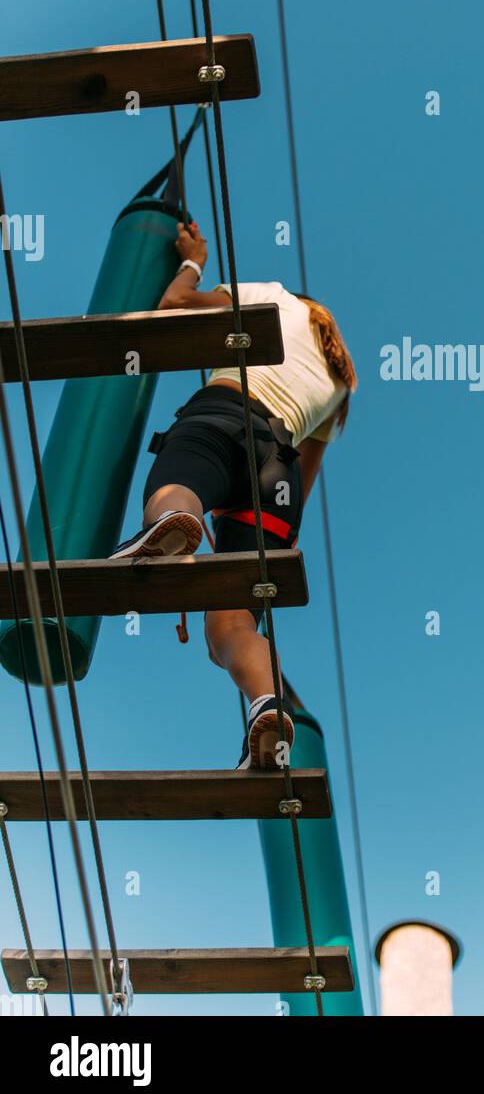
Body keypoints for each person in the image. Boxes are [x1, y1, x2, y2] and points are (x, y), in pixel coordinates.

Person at [111, 221, 357, 769]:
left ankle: (171, 527)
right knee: (230, 626)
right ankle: (267, 704)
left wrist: (194, 260)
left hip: (226, 414)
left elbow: (174, 305)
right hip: (280, 477)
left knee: (178, 489)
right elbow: (305, 483)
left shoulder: (272, 296)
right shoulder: (339, 389)